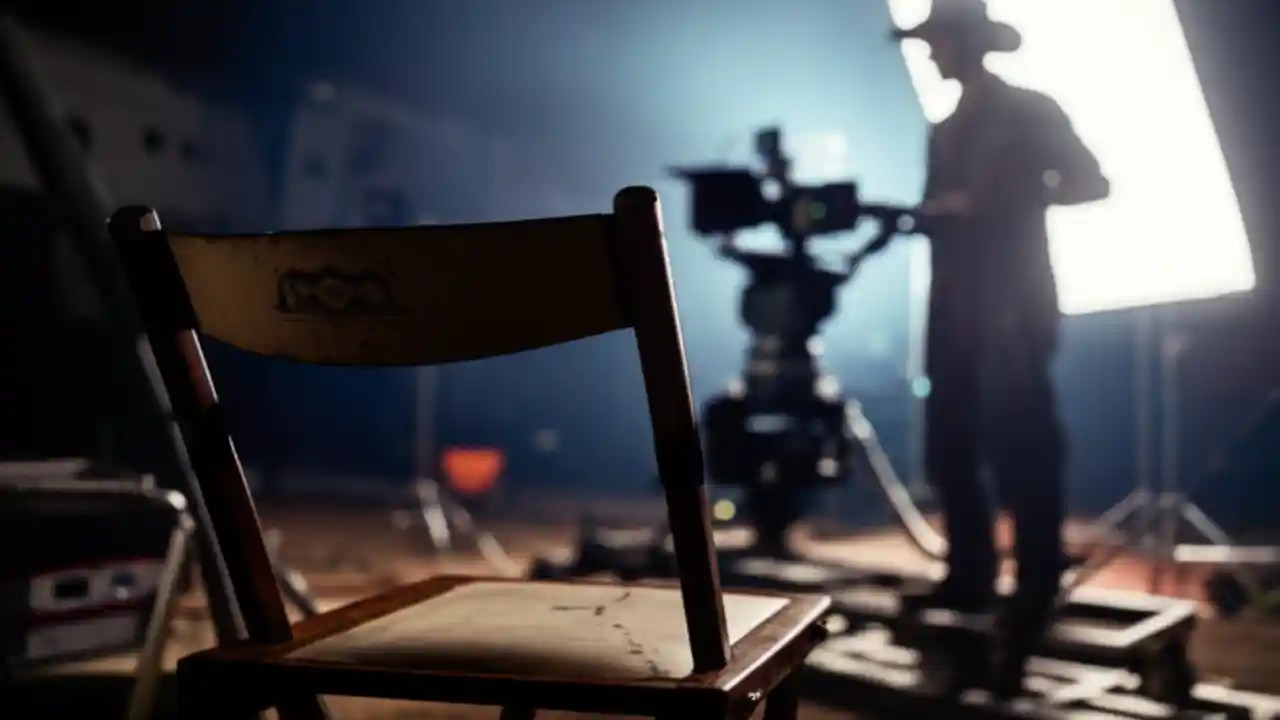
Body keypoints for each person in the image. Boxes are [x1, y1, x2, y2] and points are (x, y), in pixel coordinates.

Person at [892, 0, 1111, 696]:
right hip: (955, 309)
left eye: (937, 41)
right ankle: (971, 575)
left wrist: (1010, 200)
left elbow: (1091, 181)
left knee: (1024, 441)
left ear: (964, 43)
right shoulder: (946, 126)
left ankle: (1038, 578)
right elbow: (933, 211)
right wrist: (931, 217)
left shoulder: (1030, 111)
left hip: (1015, 305)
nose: (930, 54)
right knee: (951, 442)